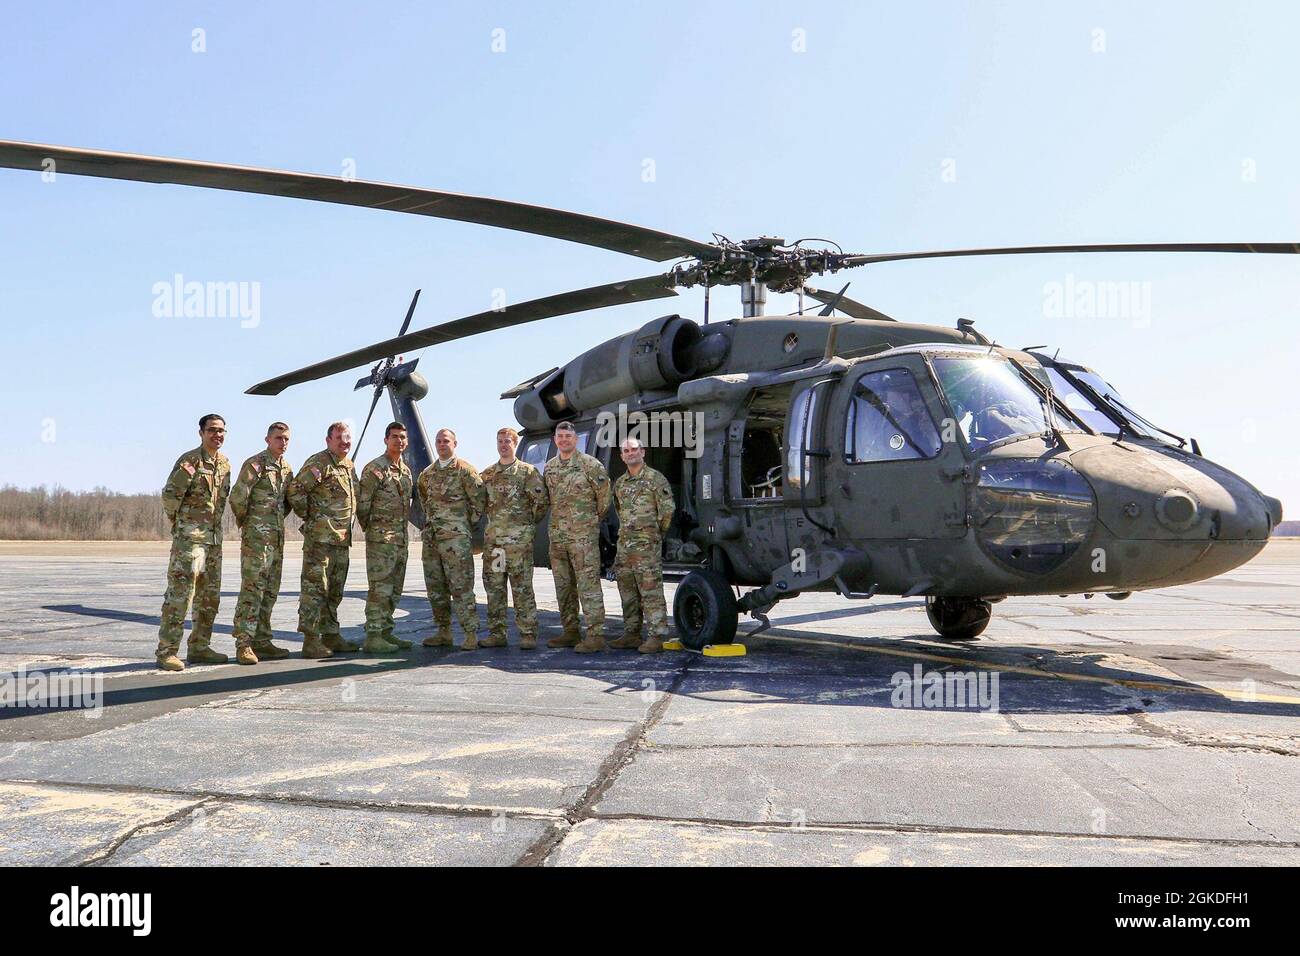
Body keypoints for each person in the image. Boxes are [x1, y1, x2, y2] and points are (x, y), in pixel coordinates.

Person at [155, 413, 232, 671]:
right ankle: (167, 651)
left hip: (213, 541)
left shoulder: (225, 465)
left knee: (209, 597)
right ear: (201, 433)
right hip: (189, 540)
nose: (217, 435)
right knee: (180, 596)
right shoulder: (190, 461)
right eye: (212, 430)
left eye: (221, 431)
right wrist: (181, 525)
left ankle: (200, 647)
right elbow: (170, 496)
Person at [288, 422, 360, 659]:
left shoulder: (348, 466)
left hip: (341, 540)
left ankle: (331, 634)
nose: (344, 442)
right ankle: (310, 640)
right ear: (328, 440)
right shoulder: (319, 462)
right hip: (320, 540)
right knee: (315, 589)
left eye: (347, 438)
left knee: (335, 591)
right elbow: (296, 491)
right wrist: (312, 517)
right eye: (339, 437)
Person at [228, 421, 294, 664]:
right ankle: (243, 643)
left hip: (276, 539)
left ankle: (262, 640)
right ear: (268, 440)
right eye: (278, 438)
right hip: (256, 539)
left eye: (286, 438)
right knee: (252, 590)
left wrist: (272, 523)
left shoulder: (286, 468)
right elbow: (238, 497)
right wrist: (250, 524)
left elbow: (286, 503)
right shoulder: (256, 464)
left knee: (270, 590)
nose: (283, 442)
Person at [416, 427, 485, 650]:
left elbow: (479, 501)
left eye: (446, 441)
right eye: (438, 441)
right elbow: (424, 500)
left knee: (462, 586)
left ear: (455, 444)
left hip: (456, 540)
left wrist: (462, 524)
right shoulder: (427, 474)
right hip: (433, 539)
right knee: (435, 587)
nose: (442, 444)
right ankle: (443, 631)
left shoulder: (465, 470)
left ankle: (470, 633)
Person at [544, 422, 610, 653]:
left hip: (582, 537)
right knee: (563, 586)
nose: (564, 440)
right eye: (560, 436)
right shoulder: (550, 467)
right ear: (555, 440)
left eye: (568, 436)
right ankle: (570, 631)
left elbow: (604, 500)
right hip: (558, 537)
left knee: (588, 585)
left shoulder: (590, 465)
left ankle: (595, 635)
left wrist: (588, 523)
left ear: (576, 439)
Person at [480, 427, 548, 649]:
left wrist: (525, 528)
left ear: (515, 443)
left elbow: (541, 504)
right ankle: (497, 633)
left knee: (522, 589)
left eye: (507, 441)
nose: (503, 444)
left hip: (518, 546)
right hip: (496, 548)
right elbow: (478, 504)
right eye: (500, 441)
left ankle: (528, 634)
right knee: (495, 588)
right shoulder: (488, 475)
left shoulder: (527, 473)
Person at [609, 437, 675, 654]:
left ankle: (656, 635)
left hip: (646, 545)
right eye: (626, 451)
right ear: (622, 456)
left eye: (634, 450)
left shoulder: (655, 479)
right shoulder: (620, 483)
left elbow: (667, 511)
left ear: (643, 452)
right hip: (625, 545)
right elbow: (620, 511)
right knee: (627, 591)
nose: (630, 453)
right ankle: (631, 633)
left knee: (650, 590)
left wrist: (654, 533)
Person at [356, 422, 415, 653]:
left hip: (400, 538)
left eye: (402, 437)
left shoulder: (406, 471)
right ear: (385, 440)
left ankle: (387, 632)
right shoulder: (374, 468)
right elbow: (363, 505)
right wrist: (373, 531)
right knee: (379, 588)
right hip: (381, 540)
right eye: (394, 437)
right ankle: (373, 635)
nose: (398, 441)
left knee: (395, 588)